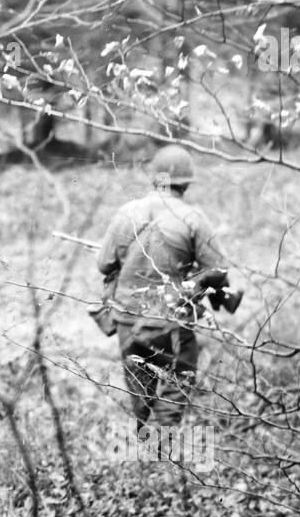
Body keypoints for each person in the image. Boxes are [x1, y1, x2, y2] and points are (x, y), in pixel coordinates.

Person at [96, 145, 232, 430]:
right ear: (186, 183)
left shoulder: (126, 212)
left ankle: (145, 435)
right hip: (171, 321)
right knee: (179, 378)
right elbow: (219, 269)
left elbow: (105, 264)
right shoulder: (192, 218)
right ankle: (163, 441)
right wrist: (197, 278)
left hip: (127, 318)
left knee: (139, 382)